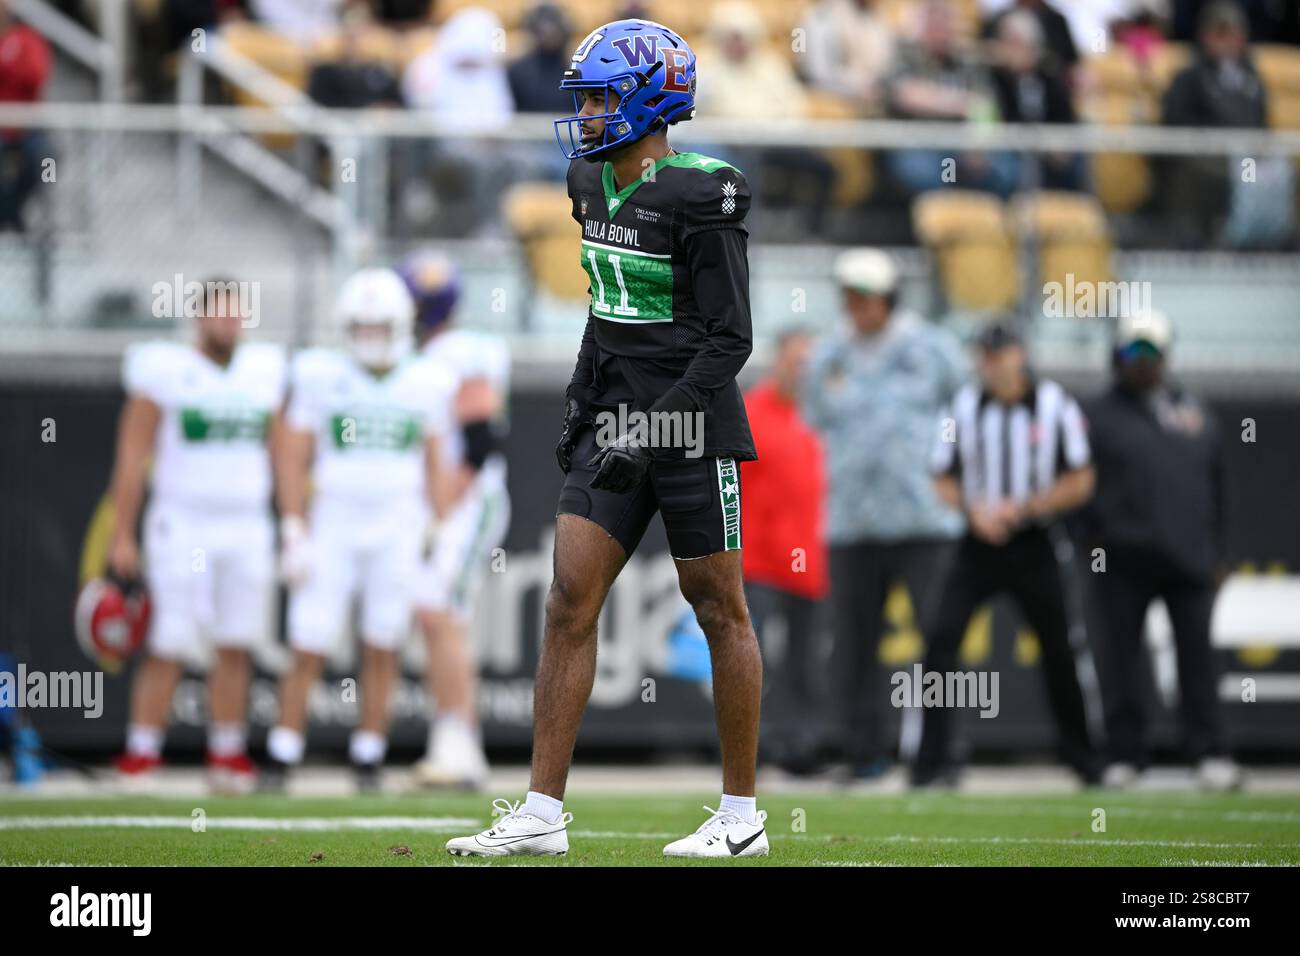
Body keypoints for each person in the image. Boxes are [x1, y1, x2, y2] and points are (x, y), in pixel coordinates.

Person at [446, 18, 767, 859]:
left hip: (691, 424)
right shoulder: (586, 180)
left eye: (597, 98)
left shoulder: (707, 190)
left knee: (717, 606)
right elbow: (605, 302)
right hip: (617, 417)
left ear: (651, 99)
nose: (584, 115)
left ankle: (741, 816)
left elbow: (730, 341)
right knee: (567, 601)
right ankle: (542, 812)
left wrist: (655, 426)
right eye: (583, 100)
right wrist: (583, 394)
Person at [264, 269, 455, 792]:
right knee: (308, 638)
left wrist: (438, 528)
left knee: (383, 641)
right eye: (361, 326)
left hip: (398, 524)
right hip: (334, 522)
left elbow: (435, 460)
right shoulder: (320, 374)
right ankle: (283, 750)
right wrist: (292, 526)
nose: (369, 336)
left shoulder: (426, 380)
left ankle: (369, 754)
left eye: (379, 326)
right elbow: (292, 454)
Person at [108, 279, 286, 794]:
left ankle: (227, 754)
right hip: (181, 521)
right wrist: (122, 533)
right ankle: (142, 753)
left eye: (236, 316)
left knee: (236, 642)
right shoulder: (166, 370)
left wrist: (294, 524)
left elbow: (282, 455)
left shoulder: (264, 371)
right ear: (198, 318)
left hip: (246, 521)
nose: (228, 324)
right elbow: (131, 456)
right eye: (219, 315)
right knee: (169, 640)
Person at [915, 319, 1103, 787]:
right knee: (939, 641)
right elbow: (941, 476)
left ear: (1020, 354)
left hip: (1035, 542)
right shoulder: (962, 405)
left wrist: (1028, 508)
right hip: (978, 543)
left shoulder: (1055, 404)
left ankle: (1085, 758)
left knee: (1061, 647)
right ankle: (929, 763)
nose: (993, 364)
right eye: (986, 354)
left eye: (1001, 353)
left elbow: (1081, 479)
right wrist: (974, 511)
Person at [802, 249, 967, 780]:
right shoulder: (828, 356)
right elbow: (813, 416)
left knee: (938, 635)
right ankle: (862, 753)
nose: (854, 305)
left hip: (924, 521)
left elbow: (969, 411)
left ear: (889, 297)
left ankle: (941, 755)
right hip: (852, 522)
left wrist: (954, 476)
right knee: (852, 647)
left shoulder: (932, 348)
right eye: (848, 295)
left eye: (864, 295)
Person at [1082, 310, 1242, 791]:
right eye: (1134, 351)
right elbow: (1075, 485)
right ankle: (1126, 753)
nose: (1144, 362)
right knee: (1120, 661)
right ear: (1116, 355)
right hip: (1120, 558)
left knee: (1198, 659)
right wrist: (1092, 544)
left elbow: (1214, 485)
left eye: (1152, 351)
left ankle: (1208, 752)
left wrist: (1216, 551)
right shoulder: (1096, 414)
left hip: (1187, 556)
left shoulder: (1193, 410)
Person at [400, 252, 511, 791]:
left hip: (467, 501)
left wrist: (442, 506)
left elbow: (481, 440)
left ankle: (460, 745)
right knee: (432, 615)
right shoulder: (442, 351)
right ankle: (451, 737)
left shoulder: (457, 352)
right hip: (449, 502)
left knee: (443, 615)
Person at [740, 327, 828, 776]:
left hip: (809, 561)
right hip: (759, 560)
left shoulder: (825, 415)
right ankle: (754, 747)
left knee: (805, 661)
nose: (802, 371)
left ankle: (804, 747)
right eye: (795, 361)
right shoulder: (753, 409)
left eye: (808, 362)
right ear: (779, 362)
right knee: (755, 656)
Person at [0, 0, 51, 232]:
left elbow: (36, 76)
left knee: (49, 161)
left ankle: (46, 219)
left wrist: (6, 65)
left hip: (26, 132)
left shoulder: (27, 38)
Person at [801, 0, 897, 112]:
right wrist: (857, 89)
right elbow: (818, 73)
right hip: (835, 106)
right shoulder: (822, 17)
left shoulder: (877, 18)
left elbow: (888, 65)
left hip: (878, 101)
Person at [507, 2, 574, 115]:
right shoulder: (517, 72)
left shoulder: (577, 71)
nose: (547, 35)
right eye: (541, 31)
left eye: (552, 30)